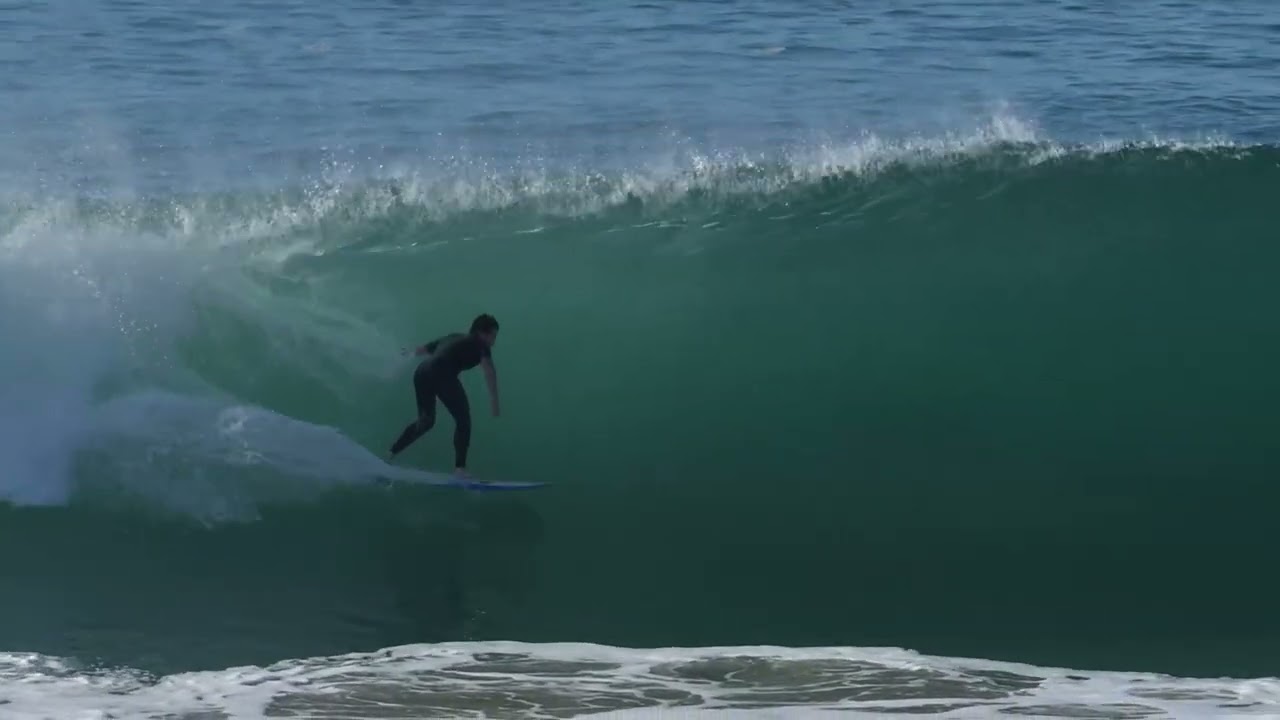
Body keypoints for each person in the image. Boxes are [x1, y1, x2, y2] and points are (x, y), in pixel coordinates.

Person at [388, 313, 500, 476]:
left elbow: (423, 350)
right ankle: (460, 469)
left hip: (422, 372)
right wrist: (494, 401)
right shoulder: (481, 344)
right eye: (493, 335)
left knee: (426, 421)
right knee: (463, 420)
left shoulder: (454, 337)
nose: (494, 341)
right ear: (483, 333)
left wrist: (404, 355)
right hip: (442, 373)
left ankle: (391, 453)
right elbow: (489, 371)